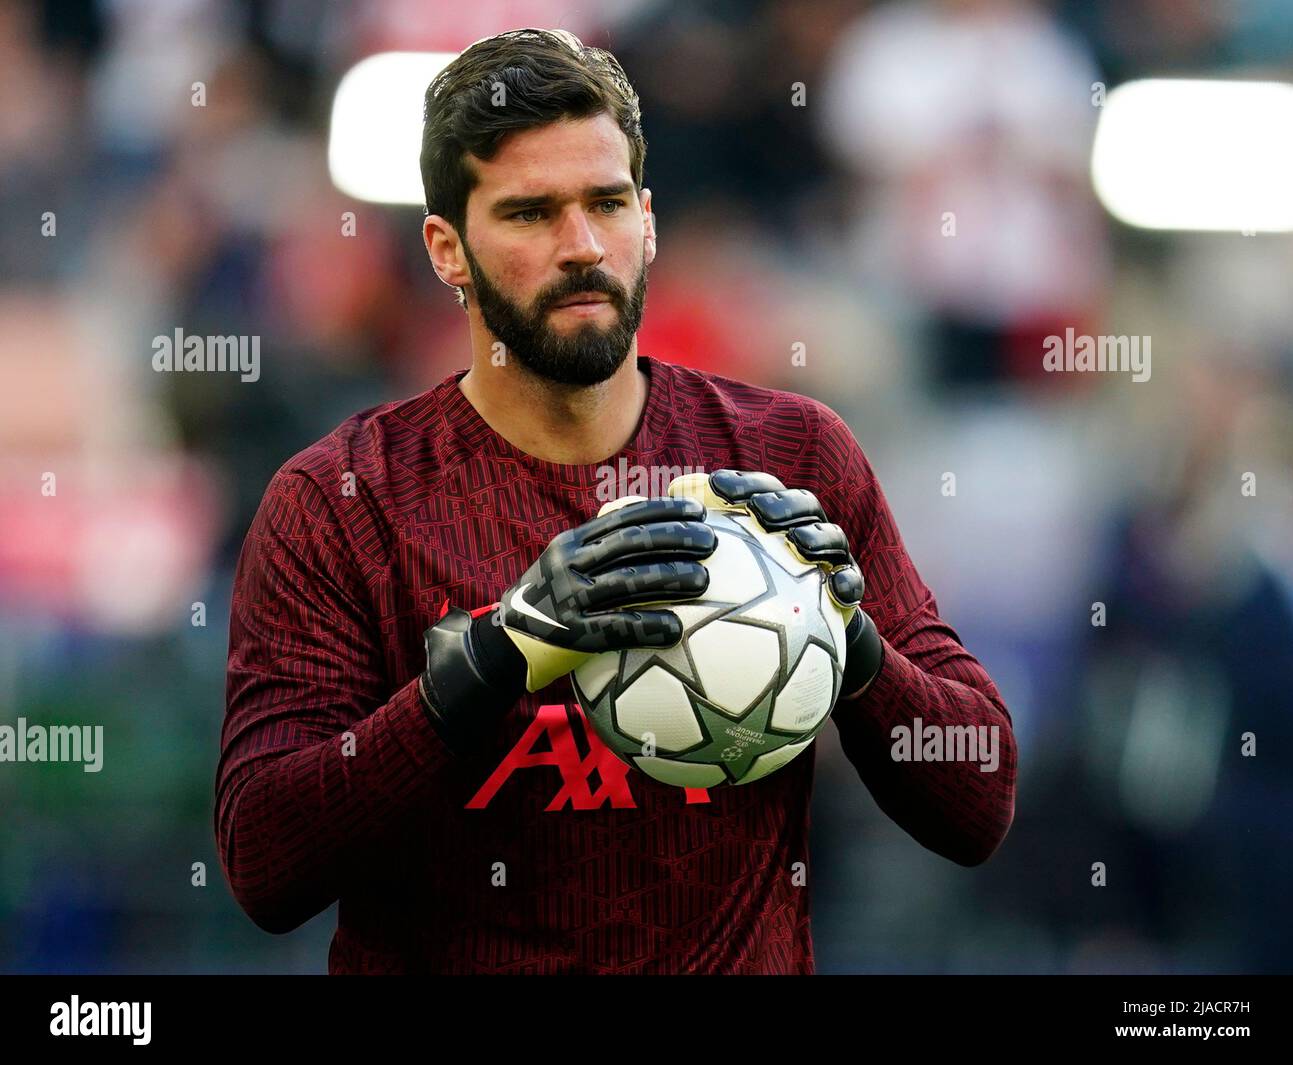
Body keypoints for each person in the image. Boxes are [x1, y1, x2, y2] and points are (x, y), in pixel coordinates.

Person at [215, 27, 1017, 974]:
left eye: (605, 204)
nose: (582, 247)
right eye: (530, 214)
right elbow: (265, 866)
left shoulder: (790, 457)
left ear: (647, 219)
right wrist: (489, 661)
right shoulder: (344, 499)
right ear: (448, 249)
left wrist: (852, 650)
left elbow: (978, 802)